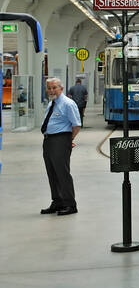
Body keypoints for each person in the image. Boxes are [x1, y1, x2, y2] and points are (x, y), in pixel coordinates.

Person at [41, 77, 80, 215]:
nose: (51, 90)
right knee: (52, 172)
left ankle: (70, 204)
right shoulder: (51, 103)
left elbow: (76, 125)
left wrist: (68, 140)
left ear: (61, 88)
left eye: (54, 88)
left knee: (62, 173)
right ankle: (57, 201)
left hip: (61, 140)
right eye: (49, 88)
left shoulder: (68, 104)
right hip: (49, 140)